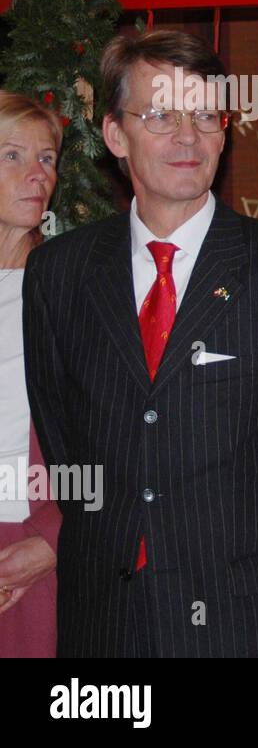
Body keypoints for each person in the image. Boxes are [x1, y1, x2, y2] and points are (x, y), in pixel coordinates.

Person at [23, 30, 258, 657]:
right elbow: (63, 435)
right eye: (161, 116)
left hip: (245, 625)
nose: (188, 136)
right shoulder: (59, 274)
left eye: (206, 114)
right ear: (115, 136)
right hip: (103, 622)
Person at [0, 91, 62, 657]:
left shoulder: (75, 292)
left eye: (46, 158)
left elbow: (122, 432)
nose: (35, 174)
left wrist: (54, 539)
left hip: (28, 539)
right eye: (13, 155)